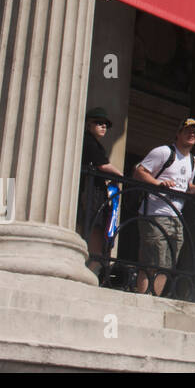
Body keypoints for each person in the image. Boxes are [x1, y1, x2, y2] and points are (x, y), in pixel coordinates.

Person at [133, 117, 195, 296]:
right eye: (188, 130)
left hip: (176, 216)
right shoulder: (163, 152)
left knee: (168, 263)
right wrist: (157, 184)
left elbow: (185, 185)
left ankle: (154, 298)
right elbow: (139, 172)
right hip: (155, 212)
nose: (192, 134)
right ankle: (144, 297)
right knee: (153, 260)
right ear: (178, 134)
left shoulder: (193, 161)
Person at [79, 107, 122, 273]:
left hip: (95, 194)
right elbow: (103, 165)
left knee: (98, 237)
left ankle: (91, 268)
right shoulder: (88, 141)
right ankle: (88, 269)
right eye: (99, 123)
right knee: (94, 234)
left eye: (105, 124)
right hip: (90, 195)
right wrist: (121, 175)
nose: (103, 126)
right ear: (89, 124)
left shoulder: (94, 143)